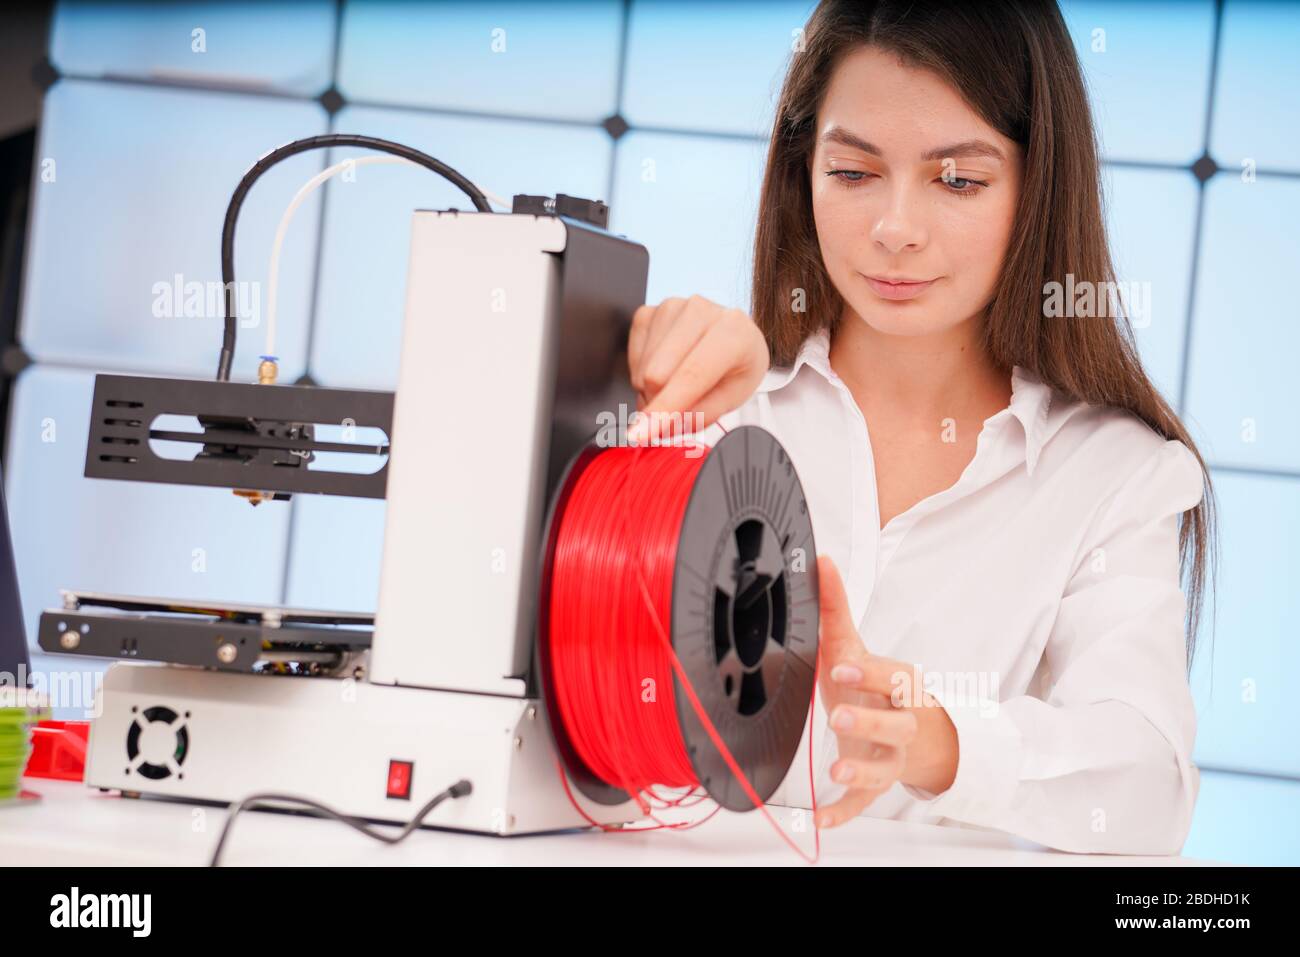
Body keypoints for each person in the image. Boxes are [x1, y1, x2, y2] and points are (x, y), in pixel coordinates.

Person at [625, 0, 1215, 855]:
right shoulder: (714, 400)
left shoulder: (1114, 474)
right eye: (853, 173)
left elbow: (1147, 786)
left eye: (959, 180)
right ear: (803, 174)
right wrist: (616, 397)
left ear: (1038, 185)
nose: (895, 230)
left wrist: (941, 741)